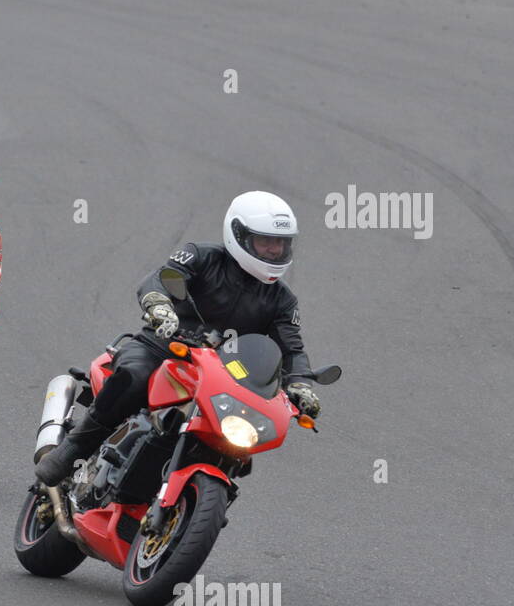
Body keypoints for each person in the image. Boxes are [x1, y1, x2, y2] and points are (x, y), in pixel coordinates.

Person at [35, 190, 323, 485]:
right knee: (132, 378)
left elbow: (292, 349)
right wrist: (159, 305)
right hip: (164, 347)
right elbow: (160, 278)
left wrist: (301, 384)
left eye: (281, 243)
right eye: (266, 242)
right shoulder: (202, 256)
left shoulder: (282, 300)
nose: (275, 251)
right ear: (239, 234)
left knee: (239, 445)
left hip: (223, 372)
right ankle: (72, 451)